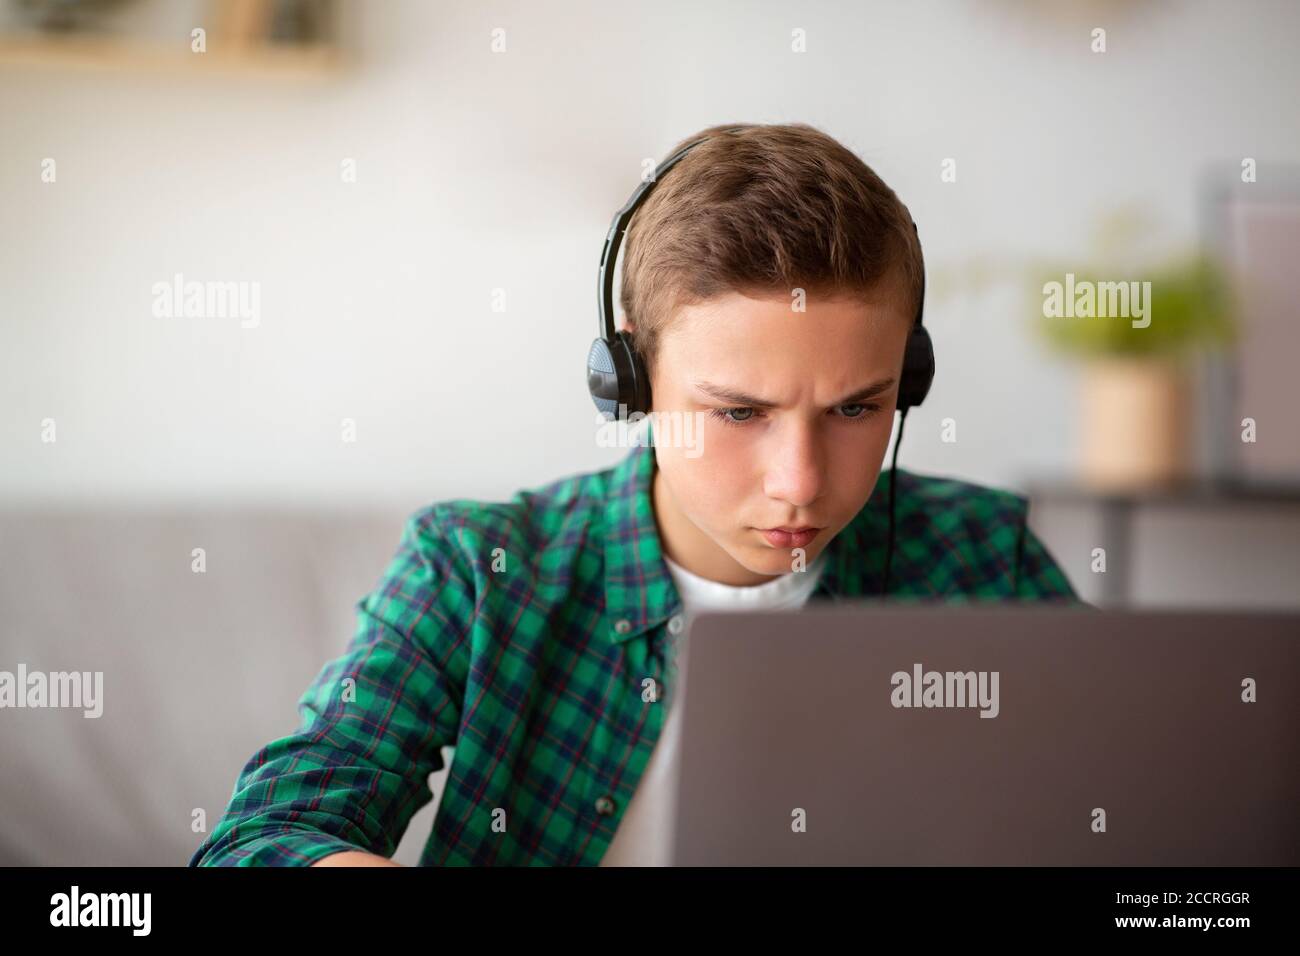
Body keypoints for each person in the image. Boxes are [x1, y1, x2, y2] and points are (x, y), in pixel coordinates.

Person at [189, 122, 1079, 868]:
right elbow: (265, 838)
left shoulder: (980, 557)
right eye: (737, 412)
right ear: (632, 380)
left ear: (908, 380)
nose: (799, 482)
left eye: (856, 406)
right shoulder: (479, 568)